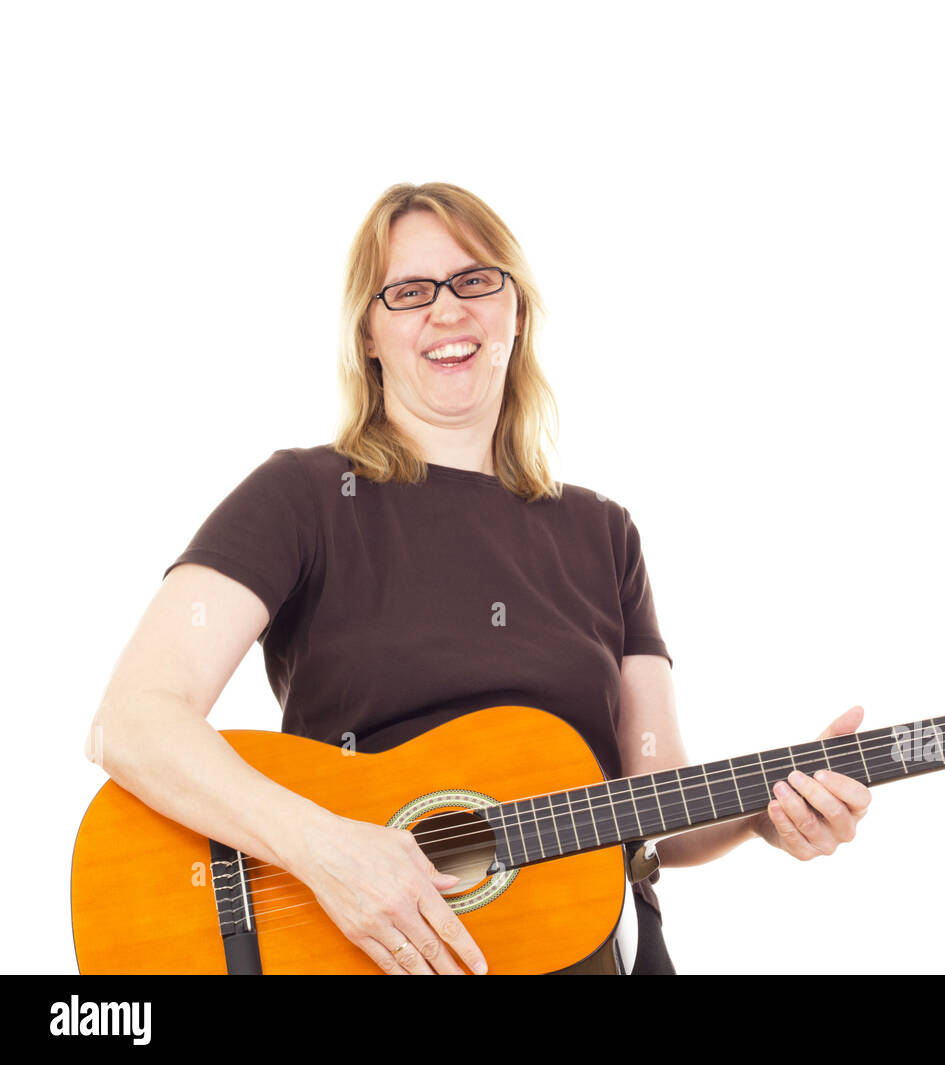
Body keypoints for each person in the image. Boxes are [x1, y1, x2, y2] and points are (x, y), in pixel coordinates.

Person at [84, 181, 872, 975]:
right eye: (410, 291)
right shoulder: (303, 496)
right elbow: (133, 720)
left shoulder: (605, 533)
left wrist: (764, 813)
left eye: (476, 280)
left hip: (595, 953)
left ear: (516, 311)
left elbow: (655, 795)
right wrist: (329, 853)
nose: (448, 310)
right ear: (368, 333)